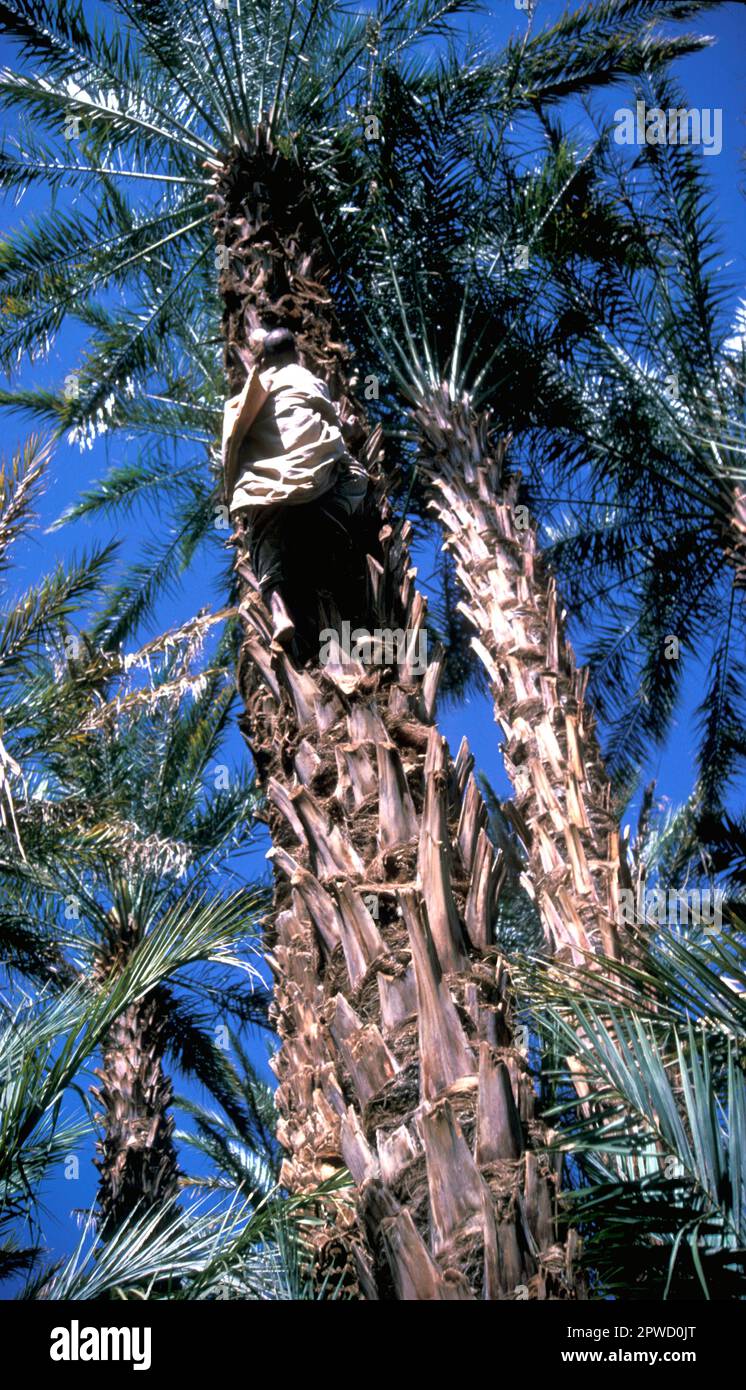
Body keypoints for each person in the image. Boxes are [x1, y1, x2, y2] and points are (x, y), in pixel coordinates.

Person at [222, 328, 369, 644]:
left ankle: (279, 613)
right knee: (357, 477)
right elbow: (337, 426)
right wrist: (352, 430)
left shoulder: (247, 396)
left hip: (267, 490)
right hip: (313, 483)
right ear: (297, 354)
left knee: (259, 540)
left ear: (267, 357)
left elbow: (232, 445)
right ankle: (335, 521)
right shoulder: (307, 379)